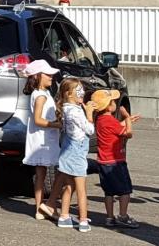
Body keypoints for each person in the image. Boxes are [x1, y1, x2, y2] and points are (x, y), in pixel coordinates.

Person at [53, 78, 96, 233]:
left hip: (68, 151)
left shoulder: (66, 108)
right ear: (68, 93)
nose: (82, 93)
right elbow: (89, 130)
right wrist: (89, 113)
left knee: (69, 186)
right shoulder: (75, 112)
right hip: (76, 154)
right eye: (78, 90)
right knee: (81, 189)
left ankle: (64, 216)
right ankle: (83, 220)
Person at [94, 89, 140, 228]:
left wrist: (126, 122)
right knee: (125, 190)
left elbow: (114, 129)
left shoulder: (100, 119)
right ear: (108, 106)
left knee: (109, 192)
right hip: (116, 161)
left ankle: (109, 217)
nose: (115, 103)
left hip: (103, 161)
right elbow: (128, 133)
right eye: (113, 101)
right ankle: (123, 216)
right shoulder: (110, 120)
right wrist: (126, 118)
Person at [22, 59, 61, 220]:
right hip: (43, 140)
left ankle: (39, 208)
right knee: (55, 171)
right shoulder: (41, 96)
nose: (51, 76)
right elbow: (38, 119)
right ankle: (44, 206)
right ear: (37, 76)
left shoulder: (41, 94)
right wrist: (56, 124)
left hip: (42, 138)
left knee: (41, 174)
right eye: (47, 74)